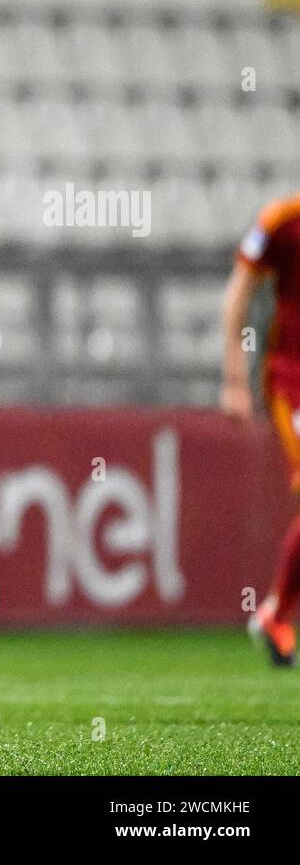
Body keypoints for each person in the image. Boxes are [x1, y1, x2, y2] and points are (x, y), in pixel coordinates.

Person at [222, 193, 300, 666]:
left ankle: (273, 612)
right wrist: (234, 379)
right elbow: (238, 294)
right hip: (293, 378)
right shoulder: (284, 221)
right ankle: (274, 612)